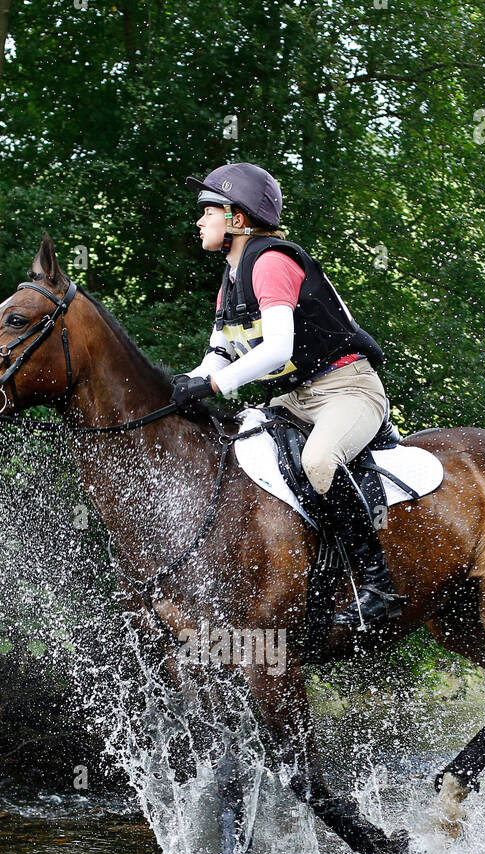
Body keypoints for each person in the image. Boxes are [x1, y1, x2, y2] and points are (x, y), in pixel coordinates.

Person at [171, 162, 404, 630]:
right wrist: (185, 382)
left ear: (237, 219)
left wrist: (215, 385)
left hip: (347, 389)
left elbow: (278, 346)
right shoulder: (231, 277)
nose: (199, 221)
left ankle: (379, 587)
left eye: (207, 211)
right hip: (293, 400)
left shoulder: (271, 261)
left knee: (318, 462)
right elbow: (220, 351)